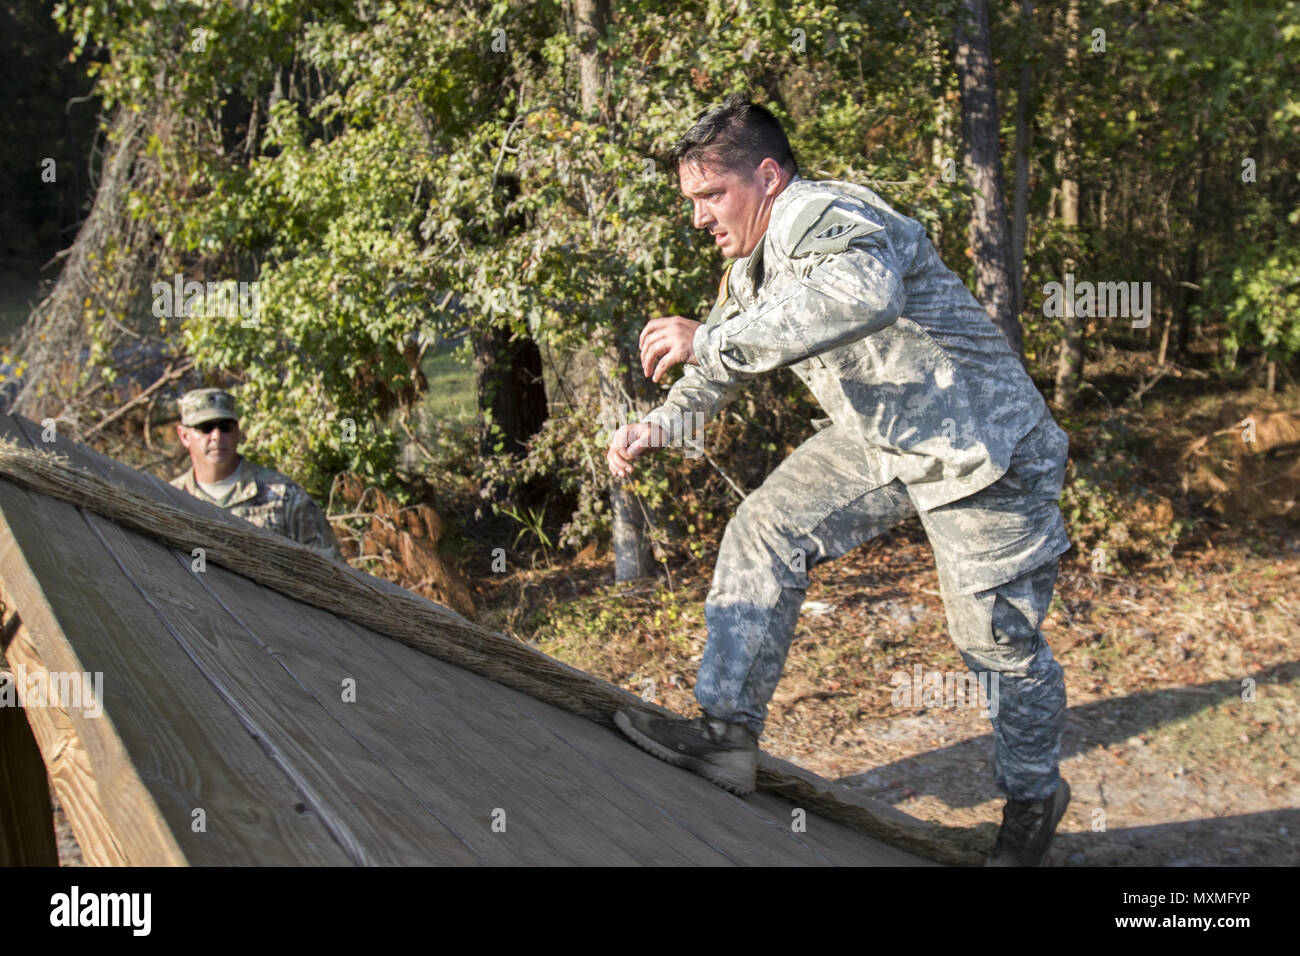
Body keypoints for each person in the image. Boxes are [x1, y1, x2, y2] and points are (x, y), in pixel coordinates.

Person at [606, 95, 1072, 867]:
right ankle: (724, 735)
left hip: (981, 443)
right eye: (691, 200)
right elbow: (722, 359)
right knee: (766, 527)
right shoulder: (750, 262)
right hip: (881, 436)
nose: (698, 218)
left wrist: (708, 339)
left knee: (993, 640)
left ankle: (1031, 797)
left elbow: (864, 293)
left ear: (766, 175)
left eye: (709, 196)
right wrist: (664, 423)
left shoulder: (816, 211)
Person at [170, 388, 343, 561]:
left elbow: (332, 570)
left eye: (225, 427)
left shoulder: (284, 496)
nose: (217, 436)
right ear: (184, 436)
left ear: (237, 432)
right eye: (205, 428)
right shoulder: (171, 499)